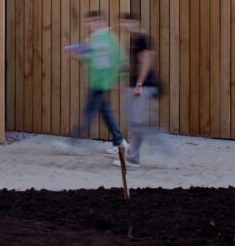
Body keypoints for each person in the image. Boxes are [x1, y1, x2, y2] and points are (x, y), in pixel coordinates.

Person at [60, 10, 129, 153]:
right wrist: (77, 55)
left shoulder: (109, 38)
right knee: (106, 113)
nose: (87, 25)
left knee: (88, 113)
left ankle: (72, 144)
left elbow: (120, 59)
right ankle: (120, 142)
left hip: (102, 83)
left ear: (99, 21)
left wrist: (119, 79)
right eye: (86, 22)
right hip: (97, 82)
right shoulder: (94, 38)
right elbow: (91, 59)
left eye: (90, 21)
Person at [117, 13, 161, 167]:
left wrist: (139, 84)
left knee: (137, 123)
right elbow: (137, 64)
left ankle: (133, 159)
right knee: (135, 122)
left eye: (125, 23)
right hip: (136, 85)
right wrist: (126, 71)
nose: (123, 26)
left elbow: (146, 63)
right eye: (122, 24)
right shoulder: (134, 40)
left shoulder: (143, 39)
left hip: (145, 85)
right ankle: (133, 156)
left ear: (135, 22)